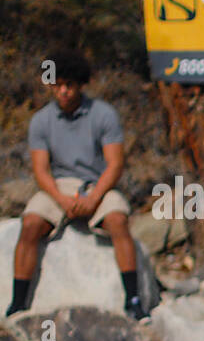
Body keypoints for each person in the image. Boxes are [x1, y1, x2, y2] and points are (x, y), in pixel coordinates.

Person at [8, 48, 145, 320]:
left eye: (69, 85)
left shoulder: (103, 115)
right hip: (58, 186)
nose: (64, 92)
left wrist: (94, 198)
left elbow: (115, 164)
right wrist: (61, 199)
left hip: (97, 185)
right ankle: (18, 303)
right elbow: (40, 169)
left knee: (118, 220)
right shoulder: (41, 121)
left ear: (81, 84)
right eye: (58, 85)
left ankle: (134, 299)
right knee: (31, 224)